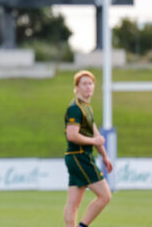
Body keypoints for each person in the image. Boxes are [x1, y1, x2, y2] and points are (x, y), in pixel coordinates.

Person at [63, 70, 113, 227]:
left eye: (90, 83)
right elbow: (72, 135)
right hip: (80, 156)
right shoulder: (75, 108)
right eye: (84, 84)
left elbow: (96, 134)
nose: (88, 87)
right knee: (105, 196)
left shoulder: (87, 108)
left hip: (77, 157)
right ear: (77, 87)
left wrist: (104, 156)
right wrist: (93, 141)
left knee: (73, 203)